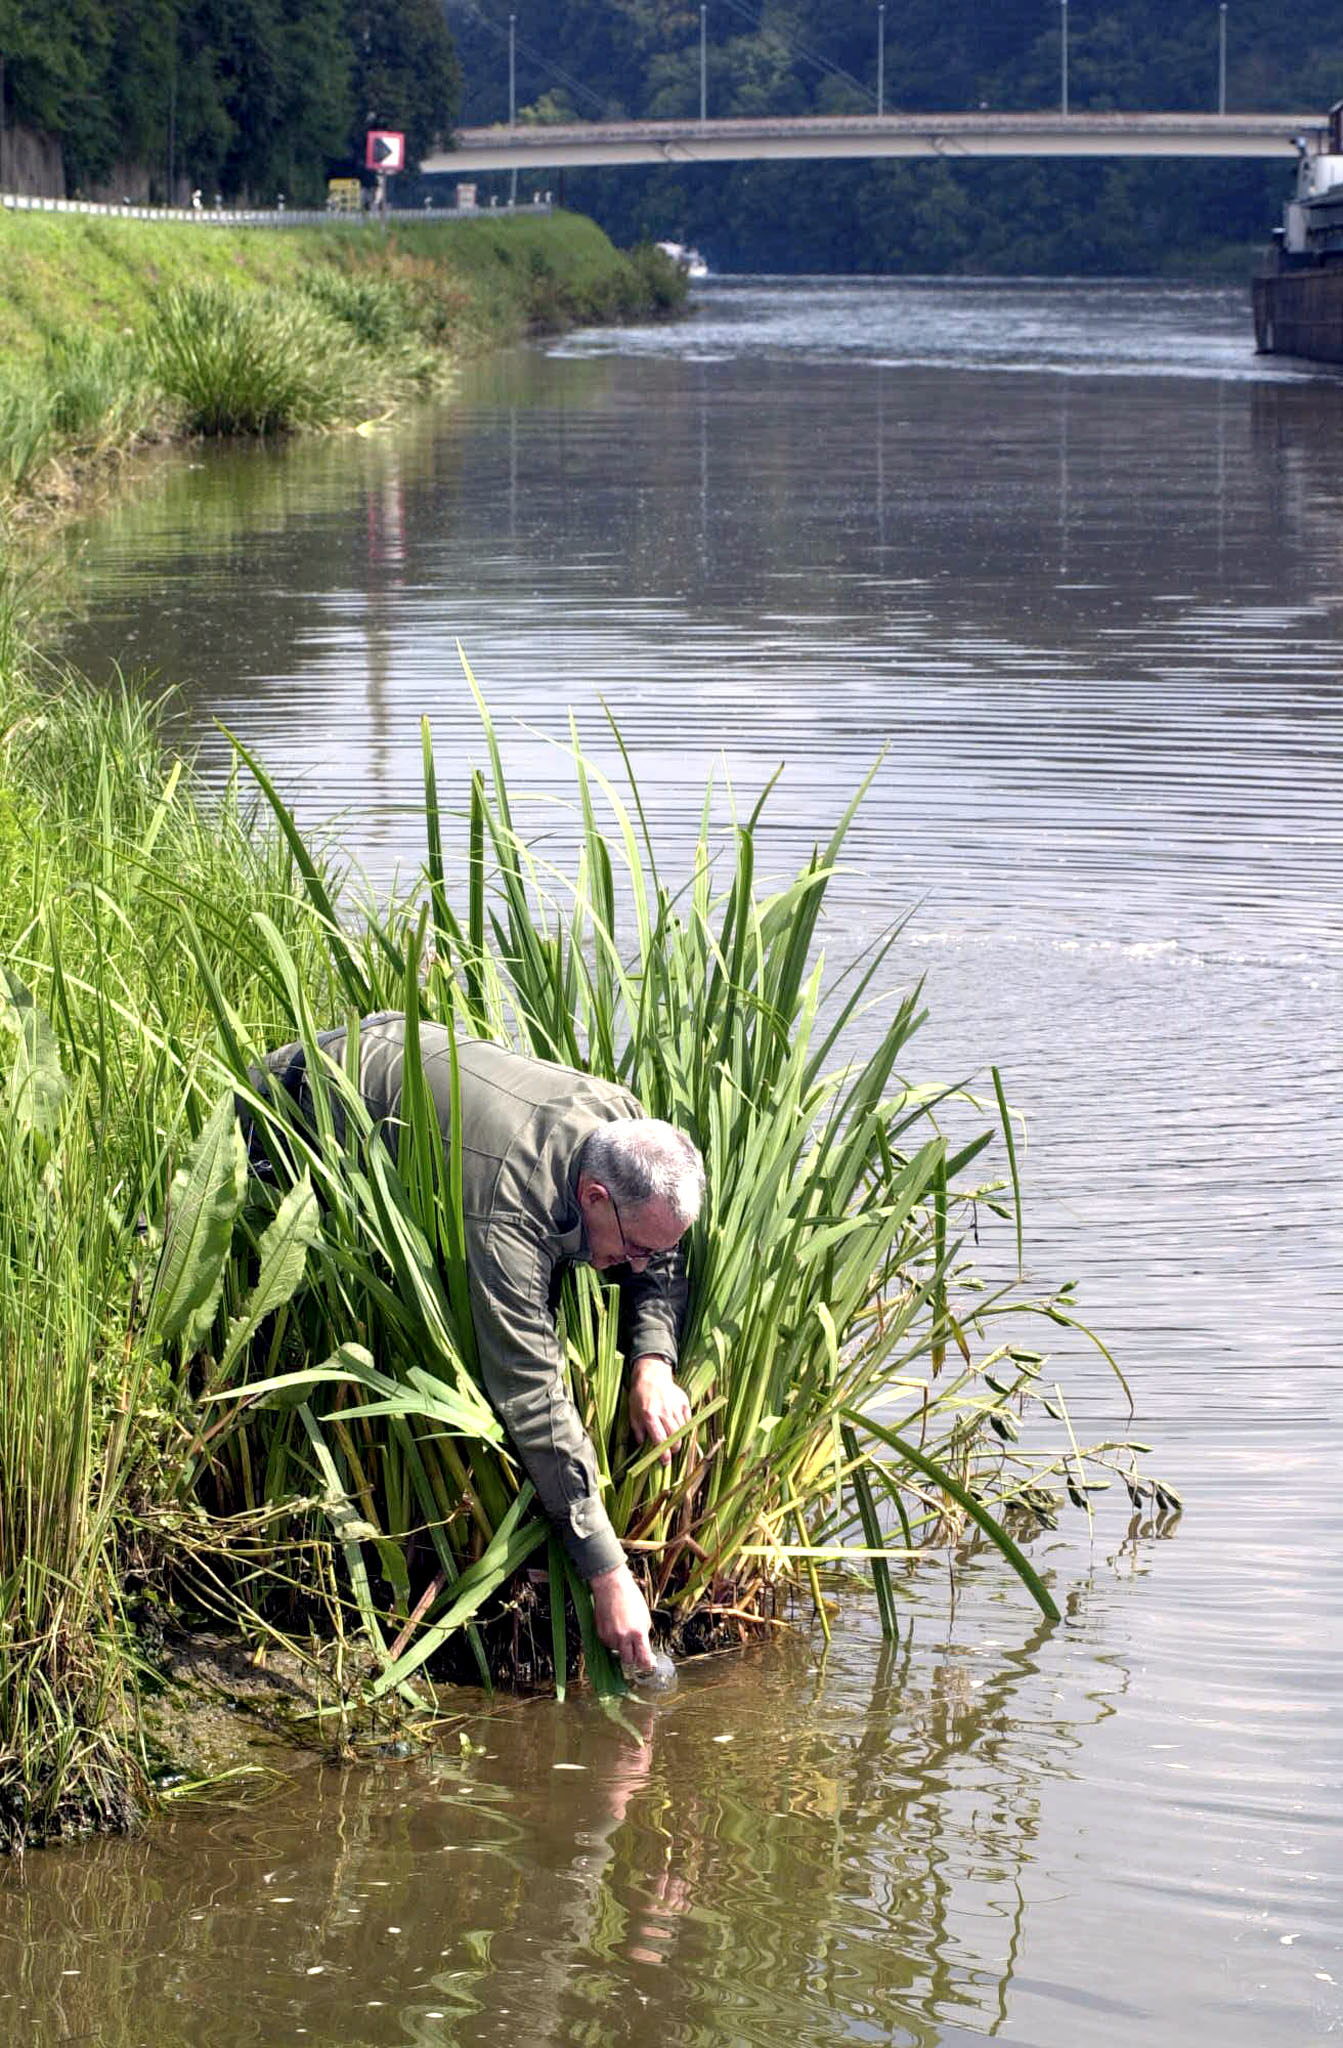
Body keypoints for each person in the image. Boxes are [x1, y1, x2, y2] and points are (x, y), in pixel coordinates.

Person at [247, 1013, 705, 1673]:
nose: (639, 1265)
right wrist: (609, 1575)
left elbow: (658, 1254)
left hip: (401, 1057)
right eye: (630, 1246)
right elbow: (529, 1393)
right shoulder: (506, 1213)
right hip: (292, 1107)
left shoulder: (623, 1126)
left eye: (650, 1248)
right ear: (593, 1194)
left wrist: (651, 1363)